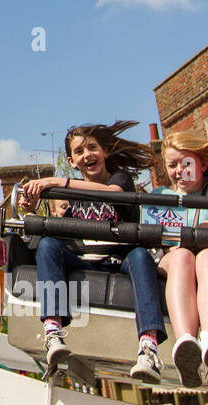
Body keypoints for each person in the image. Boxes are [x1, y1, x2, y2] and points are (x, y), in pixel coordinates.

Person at [19, 122, 162, 381]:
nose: (87, 155)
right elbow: (55, 228)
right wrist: (29, 209)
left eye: (92, 148)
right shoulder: (70, 193)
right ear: (72, 161)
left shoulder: (119, 179)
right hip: (82, 259)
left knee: (141, 256)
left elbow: (112, 193)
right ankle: (52, 330)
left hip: (120, 257)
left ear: (105, 152)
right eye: (80, 151)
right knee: (49, 244)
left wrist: (56, 181)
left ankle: (148, 346)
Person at [142, 131, 208, 388]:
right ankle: (186, 342)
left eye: (186, 163)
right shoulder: (160, 197)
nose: (178, 171)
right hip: (173, 259)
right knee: (182, 256)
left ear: (203, 163)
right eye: (172, 165)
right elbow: (154, 243)